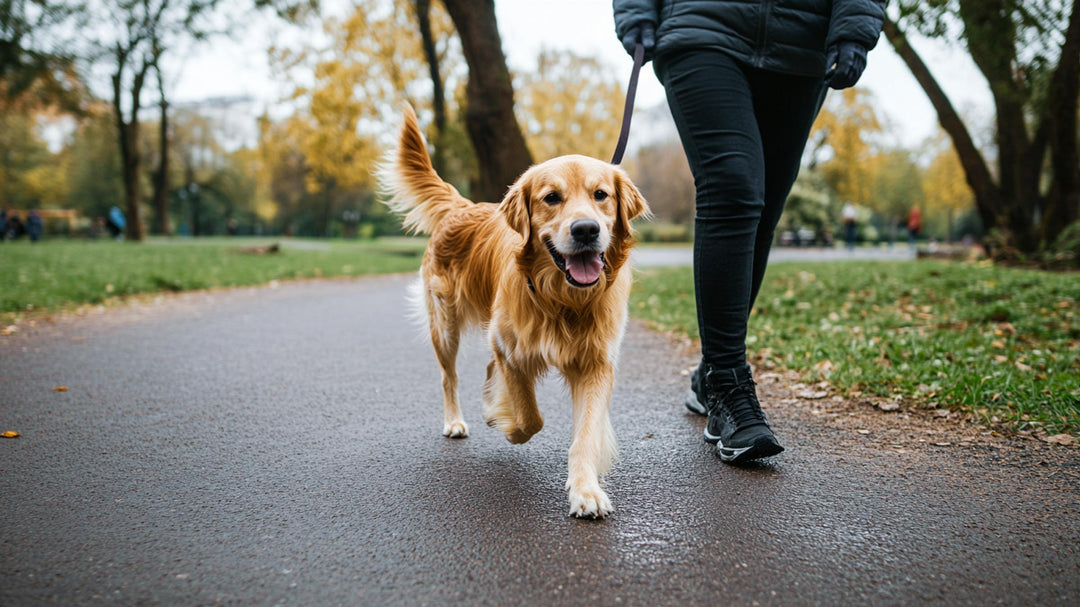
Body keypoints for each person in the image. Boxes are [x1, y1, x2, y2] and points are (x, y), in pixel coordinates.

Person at [614, 0, 885, 463]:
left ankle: (712, 370)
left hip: (802, 39)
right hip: (703, 26)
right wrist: (637, 10)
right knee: (734, 187)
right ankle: (728, 386)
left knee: (763, 206)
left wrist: (856, 26)